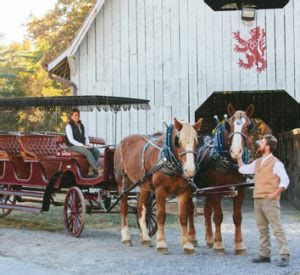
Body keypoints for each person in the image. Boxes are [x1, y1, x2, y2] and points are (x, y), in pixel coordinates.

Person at [237, 134, 290, 267]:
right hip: (258, 199)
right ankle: (265, 255)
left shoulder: (276, 163)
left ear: (267, 146)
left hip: (270, 200)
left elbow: (285, 180)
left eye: (261, 141)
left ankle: (284, 256)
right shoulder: (258, 162)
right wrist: (238, 157)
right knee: (262, 229)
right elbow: (243, 169)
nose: (258, 143)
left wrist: (274, 194)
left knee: (277, 228)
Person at [66, 108, 103, 176]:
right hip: (71, 146)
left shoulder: (81, 125)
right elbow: (71, 140)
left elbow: (85, 136)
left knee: (96, 151)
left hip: (81, 145)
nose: (77, 117)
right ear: (71, 116)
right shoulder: (69, 126)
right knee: (87, 152)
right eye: (75, 115)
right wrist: (82, 145)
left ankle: (91, 171)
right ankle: (98, 168)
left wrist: (88, 144)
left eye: (78, 115)